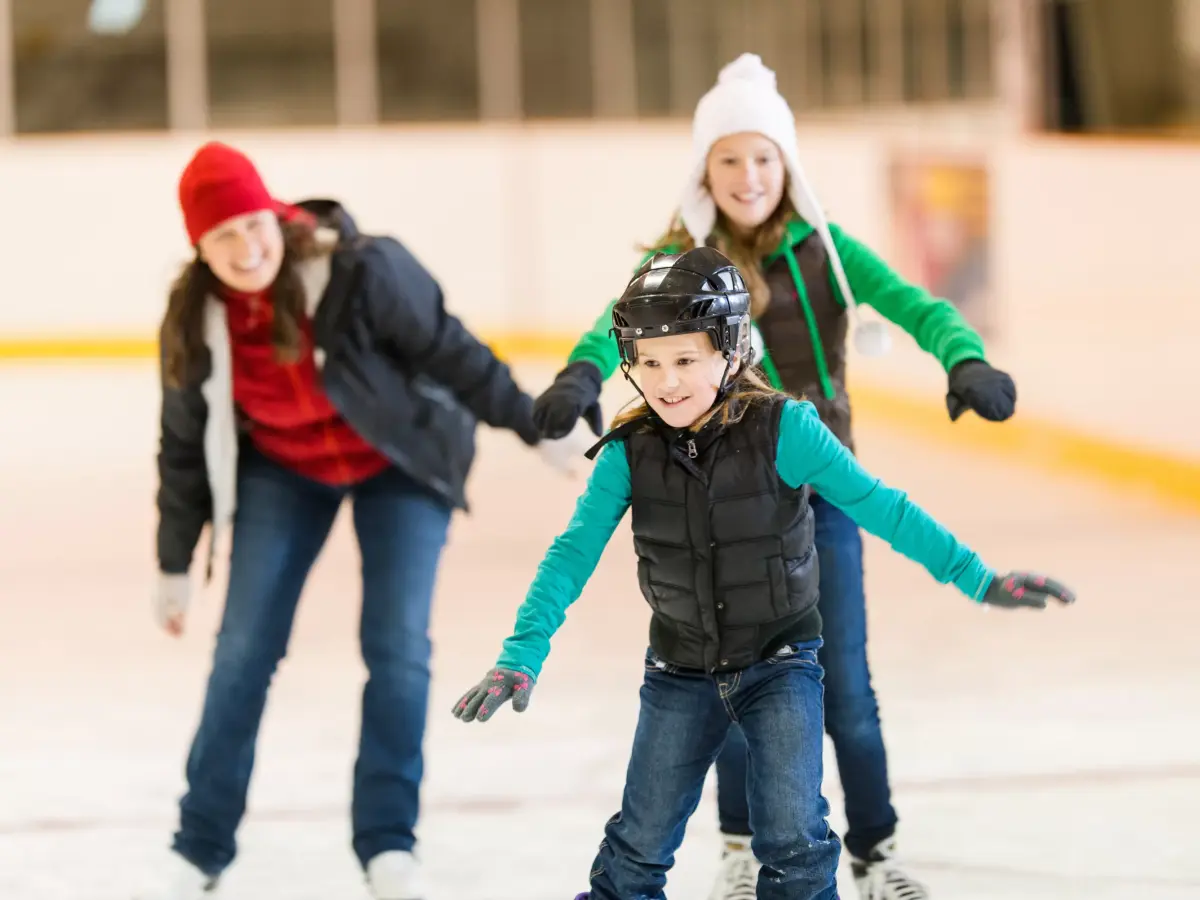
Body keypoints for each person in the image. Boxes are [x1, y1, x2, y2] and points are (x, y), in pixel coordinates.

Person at [529, 54, 1019, 900]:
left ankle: (874, 848)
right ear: (704, 170)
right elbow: (617, 329)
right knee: (725, 671)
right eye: (728, 159)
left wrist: (963, 358)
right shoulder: (681, 256)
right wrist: (580, 372)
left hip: (815, 478)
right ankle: (737, 844)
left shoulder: (825, 252)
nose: (748, 176)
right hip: (715, 483)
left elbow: (919, 305)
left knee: (843, 686)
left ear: (786, 163)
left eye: (763, 157)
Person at [453, 248, 1074, 900]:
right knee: (634, 851)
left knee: (793, 845)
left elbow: (882, 507)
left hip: (780, 665)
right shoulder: (629, 450)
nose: (666, 382)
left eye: (686, 359)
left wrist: (979, 579)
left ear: (731, 351)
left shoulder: (786, 429)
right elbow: (570, 556)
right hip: (678, 674)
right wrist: (519, 655)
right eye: (649, 361)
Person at [146, 141, 585, 900]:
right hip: (284, 472)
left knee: (396, 645)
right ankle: (200, 844)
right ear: (198, 247)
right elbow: (183, 445)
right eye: (222, 236)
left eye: (252, 224)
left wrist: (531, 425)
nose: (245, 247)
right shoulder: (196, 320)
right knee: (243, 651)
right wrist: (175, 561)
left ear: (274, 216)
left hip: (400, 463)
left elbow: (453, 351)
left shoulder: (358, 269)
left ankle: (387, 841)